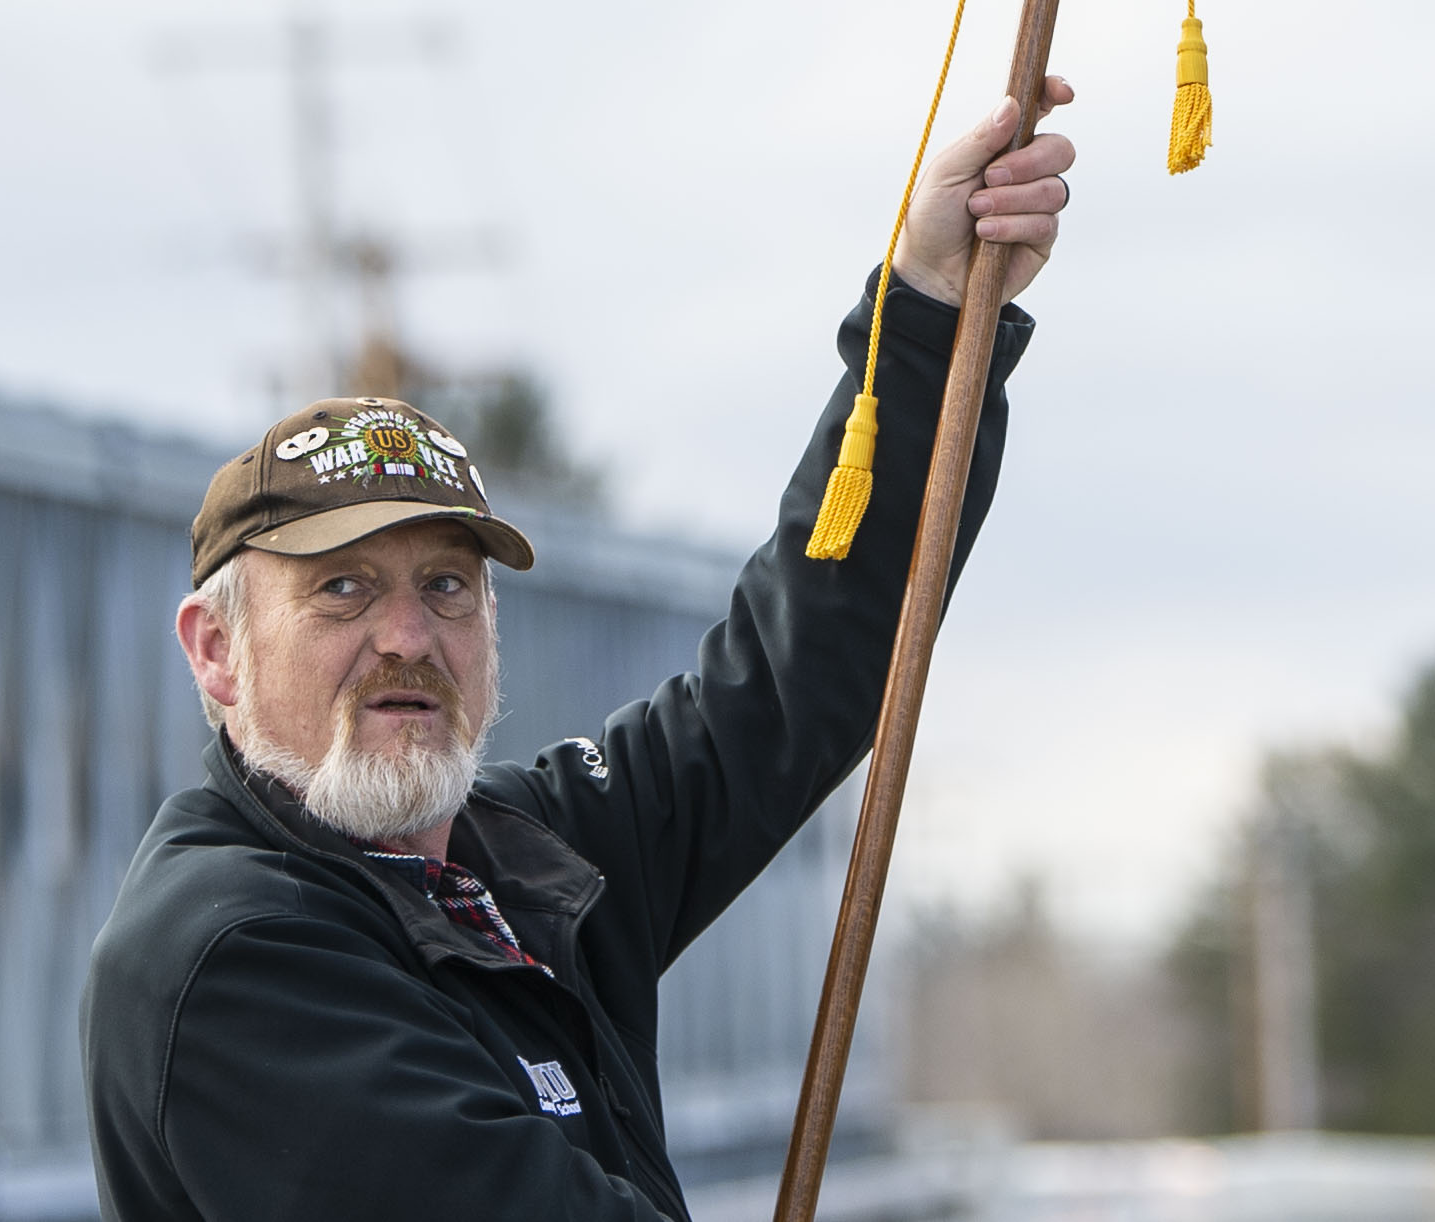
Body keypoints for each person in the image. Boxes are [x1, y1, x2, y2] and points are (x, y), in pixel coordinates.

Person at [83, 86, 1075, 1222]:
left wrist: (933, 304)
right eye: (342, 589)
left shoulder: (511, 862)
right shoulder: (228, 956)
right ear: (216, 650)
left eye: (446, 586)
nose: (406, 636)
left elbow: (797, 670)